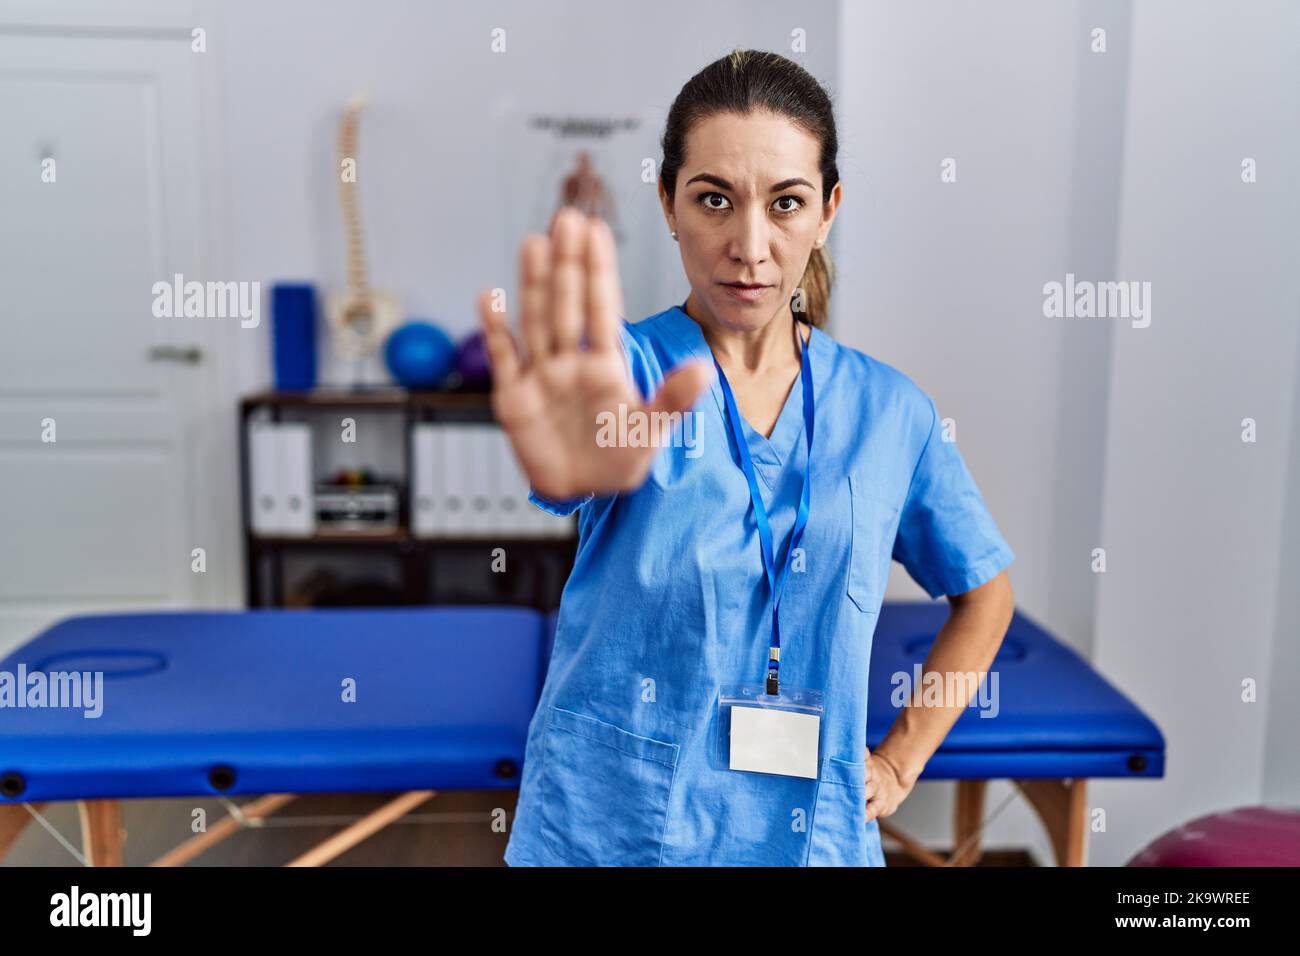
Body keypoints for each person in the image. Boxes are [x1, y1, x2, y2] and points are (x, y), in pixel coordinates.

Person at [477, 49, 1016, 867]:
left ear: (828, 209)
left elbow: (986, 595)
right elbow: (575, 457)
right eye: (714, 200)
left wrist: (901, 760)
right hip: (609, 826)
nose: (749, 245)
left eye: (786, 203)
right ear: (667, 200)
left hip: (810, 837)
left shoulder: (889, 412)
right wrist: (570, 463)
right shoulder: (632, 371)